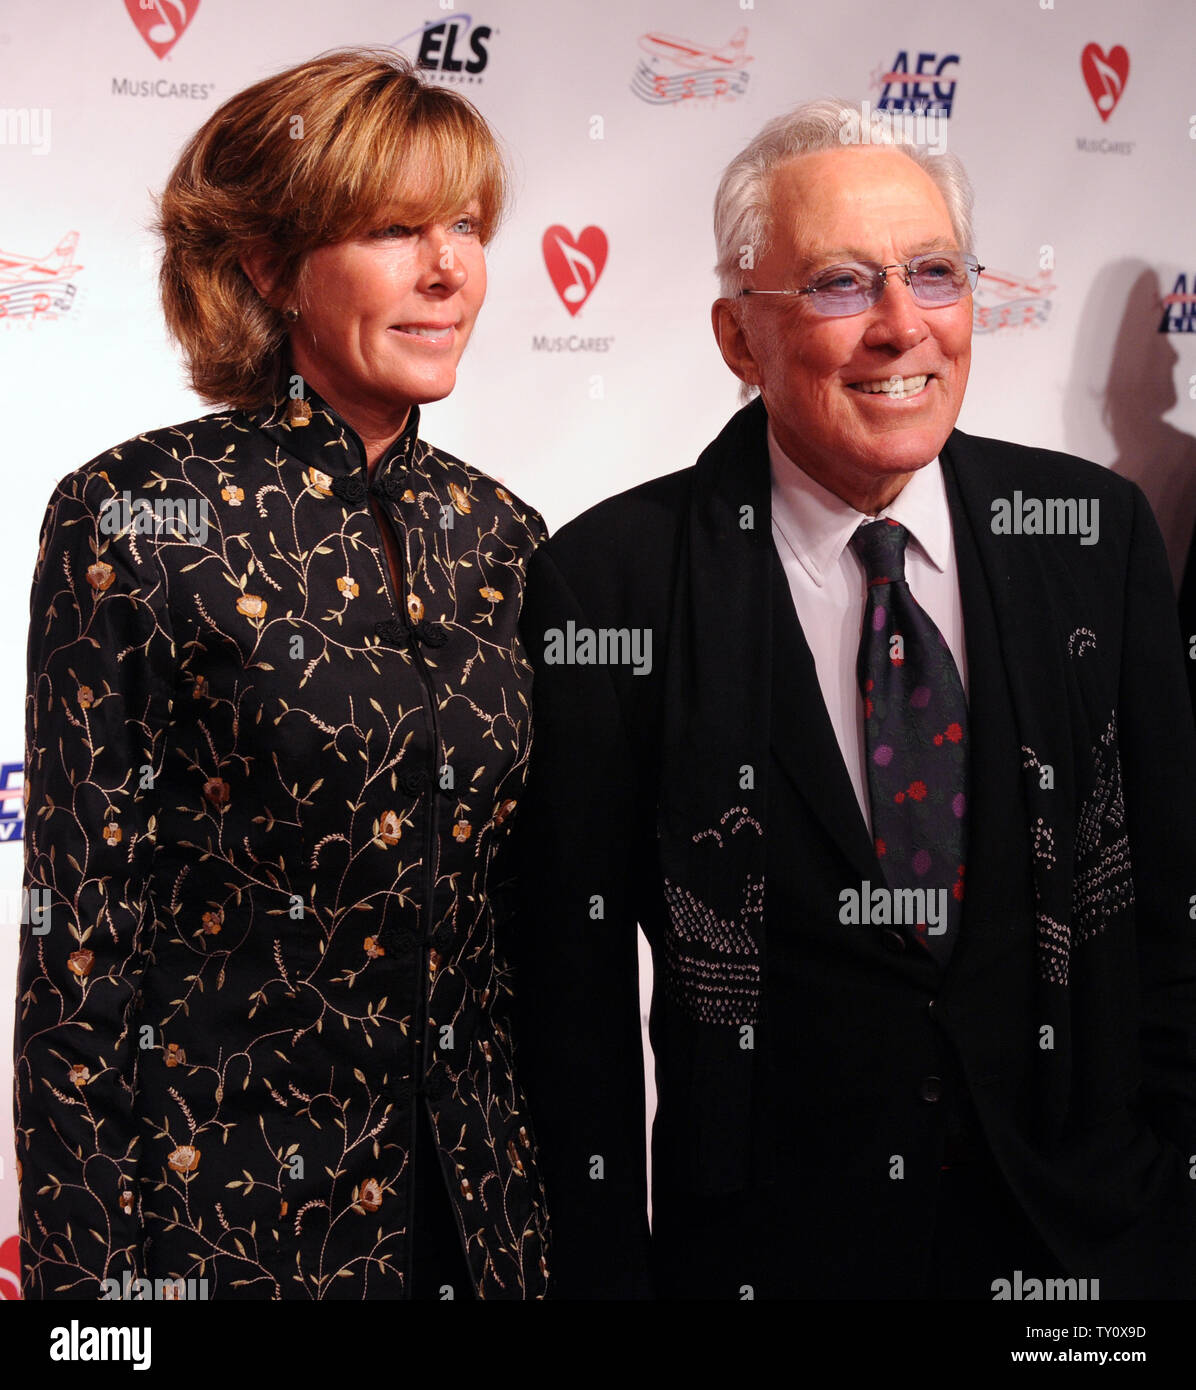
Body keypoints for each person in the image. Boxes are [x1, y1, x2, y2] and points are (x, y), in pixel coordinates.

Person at [511, 99, 1196, 1299]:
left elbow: (1172, 914)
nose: (900, 326)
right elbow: (573, 1010)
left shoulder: (1092, 537)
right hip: (776, 1261)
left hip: (1081, 1249)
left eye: (933, 273)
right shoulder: (609, 578)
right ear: (737, 337)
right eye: (837, 283)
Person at [15, 47, 549, 1301]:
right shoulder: (136, 515)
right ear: (266, 265)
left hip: (477, 1229)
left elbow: (523, 937)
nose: (446, 268)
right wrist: (88, 1312)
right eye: (391, 228)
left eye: (465, 225)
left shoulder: (506, 537)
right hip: (223, 1237)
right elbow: (79, 950)